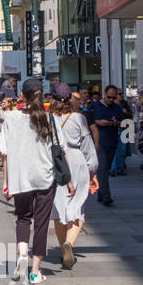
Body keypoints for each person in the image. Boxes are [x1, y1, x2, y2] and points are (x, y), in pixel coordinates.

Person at [0, 78, 75, 285]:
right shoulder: (50, 119)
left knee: (23, 218)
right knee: (41, 224)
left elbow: (3, 152)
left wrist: (6, 180)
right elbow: (60, 151)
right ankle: (35, 271)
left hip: (20, 177)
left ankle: (22, 254)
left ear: (22, 95)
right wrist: (68, 180)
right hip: (45, 177)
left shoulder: (11, 117)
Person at [51, 96, 99, 270]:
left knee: (58, 208)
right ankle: (68, 243)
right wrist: (92, 171)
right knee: (77, 206)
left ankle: (62, 245)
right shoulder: (79, 118)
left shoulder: (50, 118)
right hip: (76, 160)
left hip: (56, 162)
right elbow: (88, 146)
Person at [90, 85, 122, 206]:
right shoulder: (94, 106)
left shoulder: (117, 107)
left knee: (105, 168)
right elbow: (89, 121)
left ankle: (100, 193)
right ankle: (106, 196)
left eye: (113, 98)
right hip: (99, 141)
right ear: (104, 93)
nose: (111, 100)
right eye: (109, 97)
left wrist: (115, 122)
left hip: (112, 141)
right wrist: (99, 122)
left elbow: (121, 122)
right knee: (102, 168)